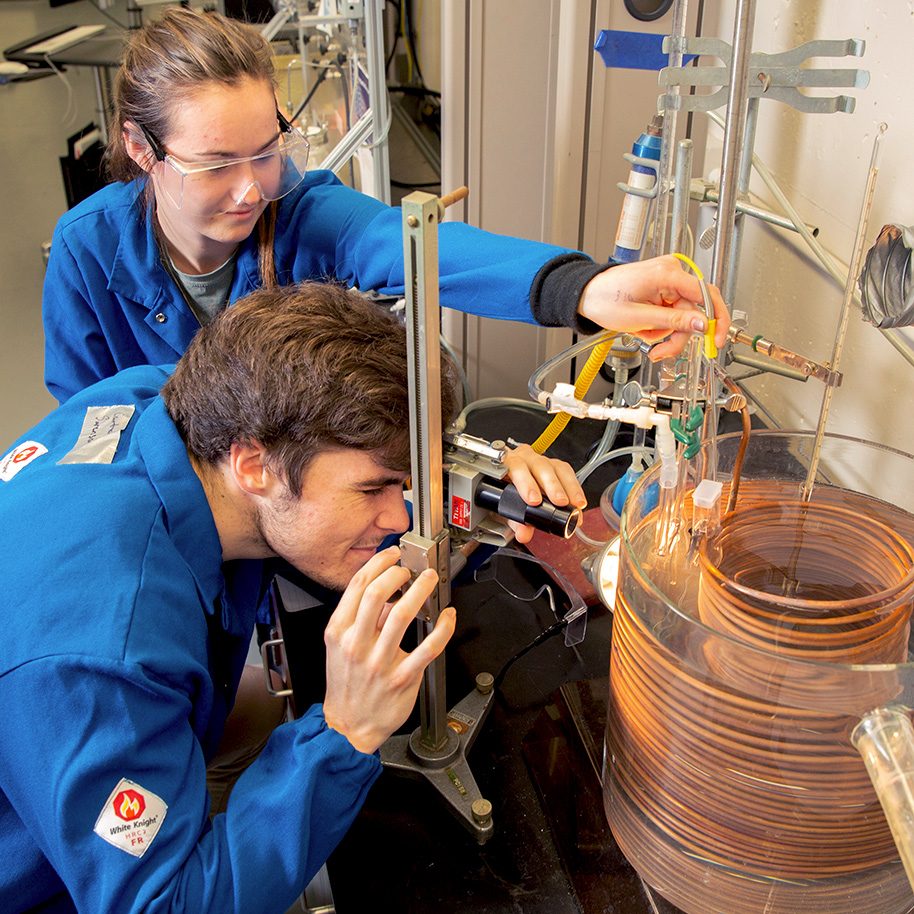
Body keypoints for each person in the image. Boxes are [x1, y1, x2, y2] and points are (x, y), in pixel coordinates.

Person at [0, 281, 586, 913]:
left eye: (407, 483)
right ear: (254, 466)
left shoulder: (171, 404)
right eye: (375, 490)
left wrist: (477, 474)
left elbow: (324, 484)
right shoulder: (102, 660)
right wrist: (345, 732)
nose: (400, 515)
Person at [41, 7, 730, 405]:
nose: (252, 188)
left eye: (267, 150)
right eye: (218, 164)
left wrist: (585, 287)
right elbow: (91, 424)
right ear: (141, 147)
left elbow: (402, 241)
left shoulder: (298, 215)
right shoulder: (86, 250)